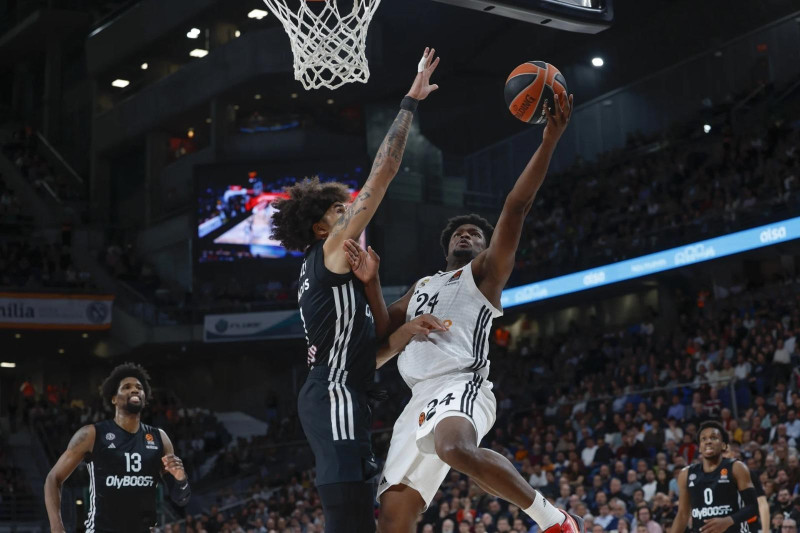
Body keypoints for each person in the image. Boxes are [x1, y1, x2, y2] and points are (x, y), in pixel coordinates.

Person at [345, 91, 578, 533]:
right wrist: (372, 282)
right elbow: (381, 335)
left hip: (460, 383)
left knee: (454, 449)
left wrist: (549, 137)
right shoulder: (424, 285)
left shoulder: (485, 274)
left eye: (475, 234)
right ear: (446, 245)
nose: (466, 234)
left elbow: (516, 205)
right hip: (416, 398)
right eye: (460, 232)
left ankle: (556, 520)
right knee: (393, 521)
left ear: (487, 249)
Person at [268, 47, 441, 533]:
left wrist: (401, 336)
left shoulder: (326, 270)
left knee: (358, 516)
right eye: (341, 213)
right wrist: (409, 100)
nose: (352, 215)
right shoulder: (329, 253)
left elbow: (359, 356)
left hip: (337, 388)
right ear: (322, 229)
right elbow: (383, 174)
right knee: (350, 520)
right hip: (334, 395)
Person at [44, 363, 190, 532]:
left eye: (139, 387)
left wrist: (181, 479)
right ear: (114, 398)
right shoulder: (92, 434)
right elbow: (52, 479)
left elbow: (181, 499)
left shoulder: (160, 438)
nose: (135, 390)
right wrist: (57, 528)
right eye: (127, 387)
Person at [669, 421, 758, 533]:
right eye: (704, 439)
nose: (708, 441)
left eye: (714, 438)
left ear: (723, 445)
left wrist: (728, 521)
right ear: (700, 448)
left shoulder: (736, 467)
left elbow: (753, 507)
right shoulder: (686, 474)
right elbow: (682, 515)